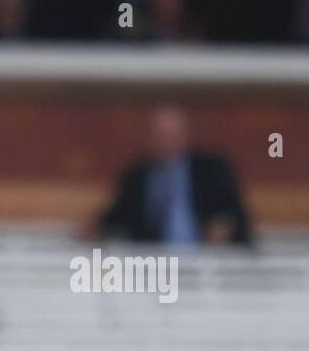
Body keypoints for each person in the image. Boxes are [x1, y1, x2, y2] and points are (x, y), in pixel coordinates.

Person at [95, 105, 251, 246]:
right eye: (159, 136)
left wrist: (224, 226)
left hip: (205, 258)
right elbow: (116, 217)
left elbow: (235, 214)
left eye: (171, 136)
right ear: (149, 138)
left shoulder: (211, 170)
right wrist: (97, 228)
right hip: (154, 263)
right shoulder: (137, 175)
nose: (165, 143)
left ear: (185, 136)